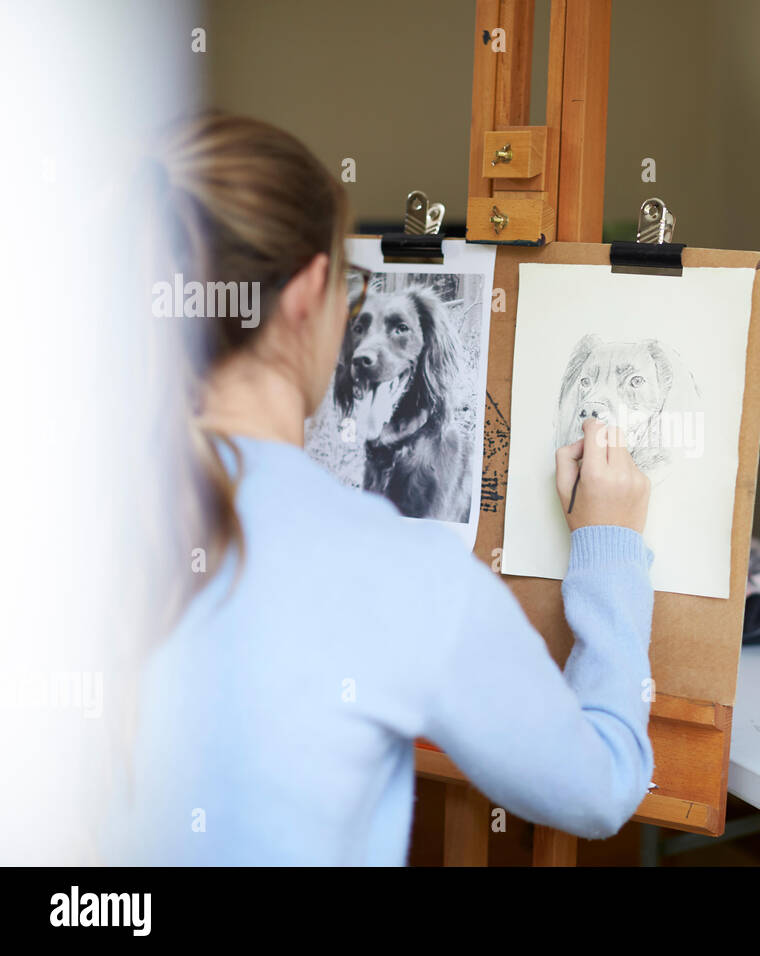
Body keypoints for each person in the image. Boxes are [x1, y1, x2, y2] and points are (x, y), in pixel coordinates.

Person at [107, 112, 654, 864]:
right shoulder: (403, 571)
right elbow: (602, 784)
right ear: (310, 292)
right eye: (354, 294)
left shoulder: (58, 516)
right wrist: (611, 544)